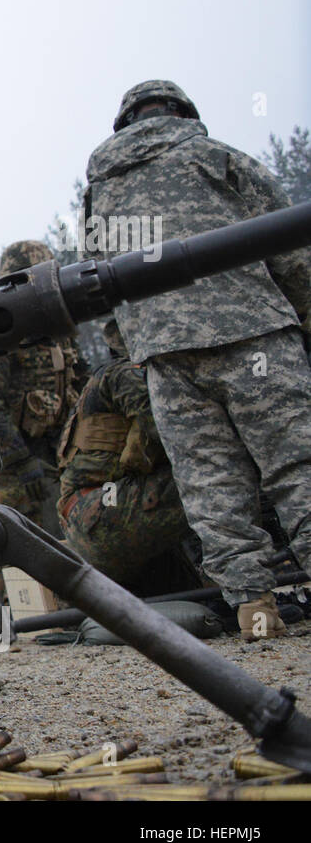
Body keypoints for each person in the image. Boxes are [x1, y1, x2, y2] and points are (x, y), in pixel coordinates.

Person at [83, 79, 311, 641]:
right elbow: (291, 246)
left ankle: (256, 612)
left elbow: (97, 289)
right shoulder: (216, 157)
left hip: (166, 359)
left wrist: (137, 348)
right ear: (182, 113)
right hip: (253, 333)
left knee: (212, 488)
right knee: (297, 466)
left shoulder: (99, 195)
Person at [56, 321, 199, 590]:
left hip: (99, 517)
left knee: (195, 597)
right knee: (218, 472)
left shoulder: (115, 374)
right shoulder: (125, 374)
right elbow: (173, 434)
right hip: (102, 515)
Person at [0, 240, 82, 540]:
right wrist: (19, 460)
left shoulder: (57, 329)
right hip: (11, 460)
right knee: (19, 539)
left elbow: (78, 383)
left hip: (58, 451)